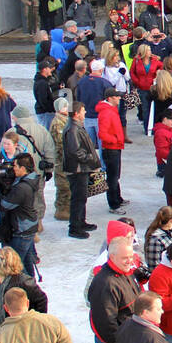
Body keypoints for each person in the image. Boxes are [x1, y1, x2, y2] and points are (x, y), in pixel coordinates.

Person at [62, 103, 101, 240]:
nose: (85, 113)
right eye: (83, 111)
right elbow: (75, 151)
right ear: (77, 113)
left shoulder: (76, 126)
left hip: (80, 168)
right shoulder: (73, 129)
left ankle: (81, 222)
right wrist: (89, 158)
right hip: (77, 170)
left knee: (82, 197)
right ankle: (74, 227)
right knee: (78, 198)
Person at [95, 88, 128, 214]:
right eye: (117, 96)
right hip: (111, 149)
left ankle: (118, 199)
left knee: (115, 176)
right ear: (110, 98)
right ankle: (113, 204)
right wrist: (115, 140)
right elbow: (102, 133)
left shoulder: (110, 110)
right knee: (112, 178)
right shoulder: (106, 112)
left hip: (115, 147)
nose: (119, 98)